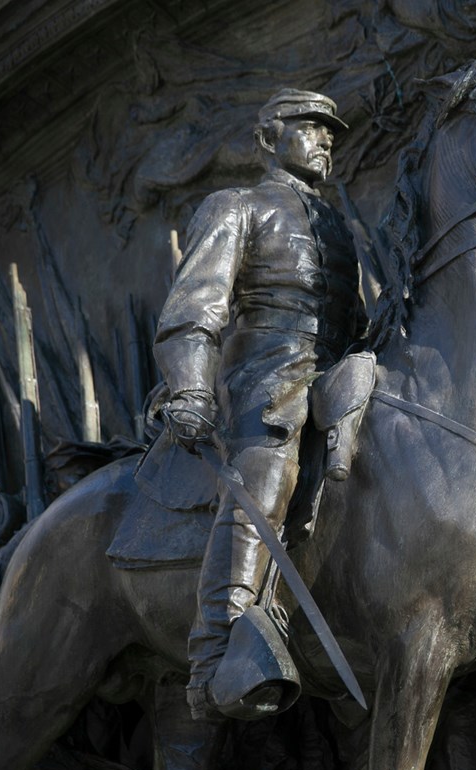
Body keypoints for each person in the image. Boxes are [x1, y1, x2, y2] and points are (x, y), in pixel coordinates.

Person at [153, 88, 362, 720]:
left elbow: (351, 318)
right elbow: (195, 309)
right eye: (311, 127)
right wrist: (190, 387)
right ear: (270, 139)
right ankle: (215, 651)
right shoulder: (236, 206)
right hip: (265, 381)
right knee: (268, 470)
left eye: (332, 131)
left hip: (334, 373)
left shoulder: (336, 225)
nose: (326, 138)